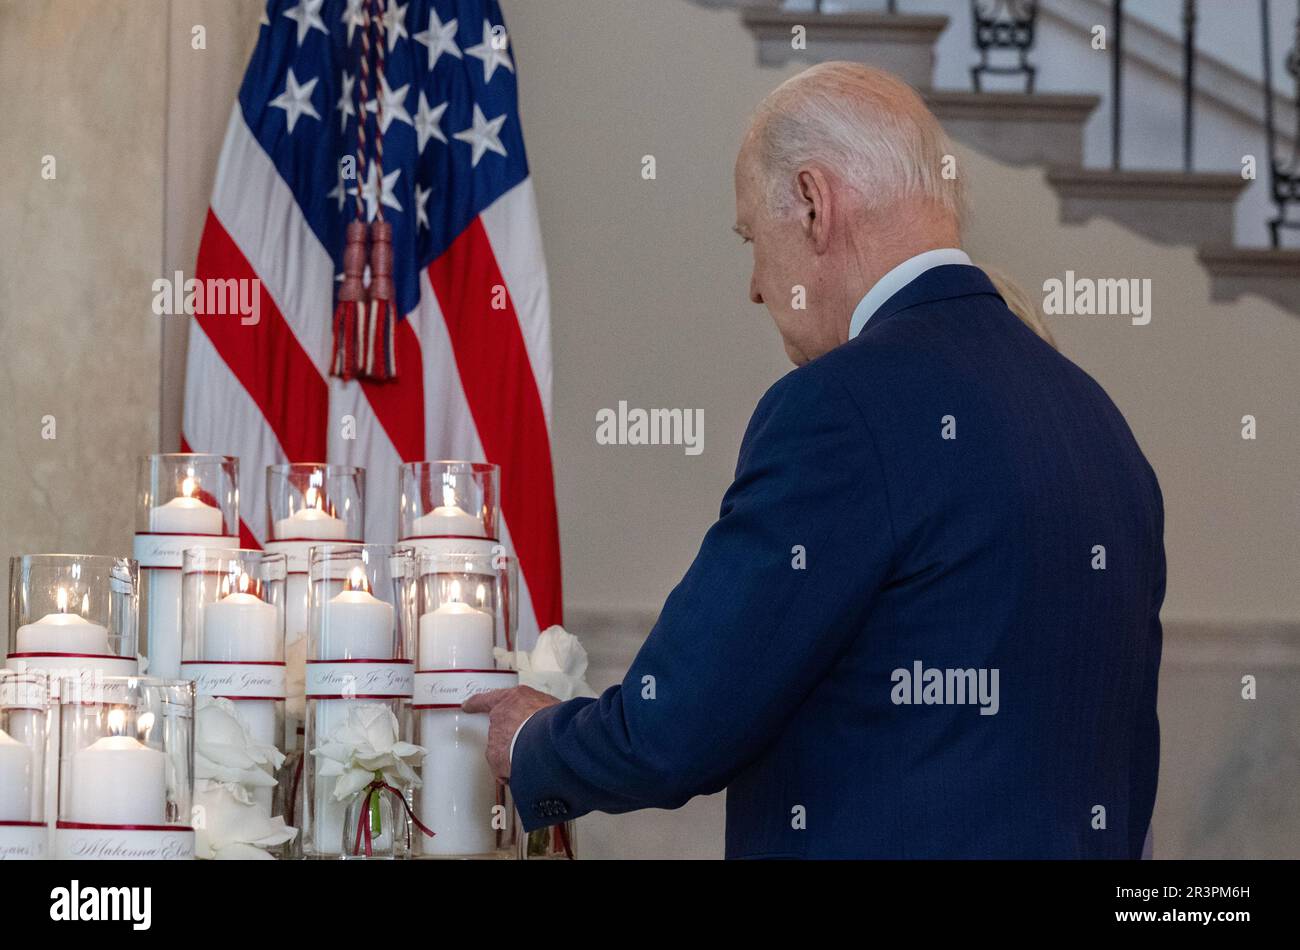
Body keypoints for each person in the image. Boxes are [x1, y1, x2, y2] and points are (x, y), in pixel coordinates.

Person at [466, 62, 1165, 859]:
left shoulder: (841, 408)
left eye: (749, 240)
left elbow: (677, 724)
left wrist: (536, 741)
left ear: (812, 203)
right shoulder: (1097, 420)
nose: (757, 289)